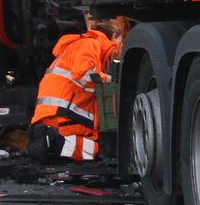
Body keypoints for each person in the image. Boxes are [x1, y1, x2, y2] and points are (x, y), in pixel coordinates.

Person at [29, 10, 129, 161]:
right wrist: (113, 80)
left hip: (59, 117)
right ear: (115, 36)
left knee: (97, 149)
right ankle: (52, 139)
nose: (120, 48)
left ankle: (50, 140)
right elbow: (84, 76)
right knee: (98, 151)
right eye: (122, 41)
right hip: (61, 119)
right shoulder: (91, 44)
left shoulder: (83, 45)